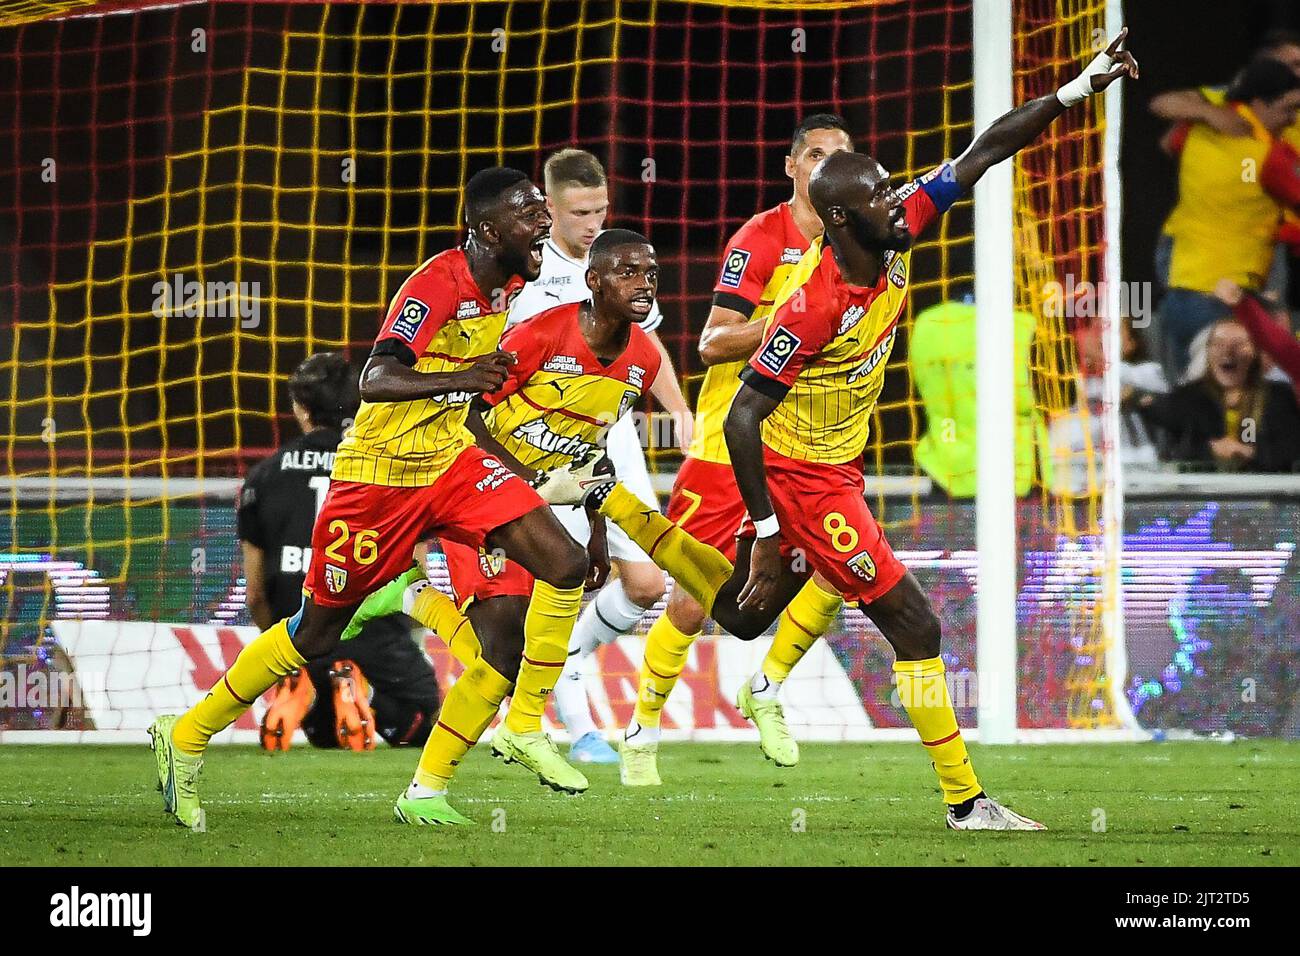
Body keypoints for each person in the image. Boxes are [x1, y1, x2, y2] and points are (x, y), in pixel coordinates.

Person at [582, 31, 1139, 830]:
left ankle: (626, 511)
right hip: (799, 473)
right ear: (843, 218)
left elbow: (984, 151)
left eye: (891, 187)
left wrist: (1079, 87)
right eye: (881, 195)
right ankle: (965, 802)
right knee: (915, 622)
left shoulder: (896, 222)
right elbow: (743, 413)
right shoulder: (812, 304)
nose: (899, 199)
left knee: (738, 615)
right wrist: (772, 533)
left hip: (838, 464)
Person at [148, 167, 598, 831]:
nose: (544, 223)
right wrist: (468, 374)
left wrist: (517, 474)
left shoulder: (507, 283)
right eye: (529, 213)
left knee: (566, 564)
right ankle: (186, 734)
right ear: (486, 229)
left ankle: (500, 741)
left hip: (449, 464)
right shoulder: (436, 283)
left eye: (542, 211)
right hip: (378, 480)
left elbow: (460, 403)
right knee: (317, 632)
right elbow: (377, 375)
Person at [350, 230, 663, 817]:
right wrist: (521, 487)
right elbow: (469, 416)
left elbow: (592, 450)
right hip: (484, 495)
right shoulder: (541, 333)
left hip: (539, 512)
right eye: (627, 271)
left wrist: (593, 533)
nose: (643, 282)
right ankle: (473, 754)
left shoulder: (643, 359)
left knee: (503, 655)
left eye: (650, 271)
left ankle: (418, 609)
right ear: (593, 281)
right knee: (500, 657)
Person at [620, 115, 857, 787]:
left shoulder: (858, 247)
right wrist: (790, 323)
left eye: (838, 155)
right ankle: (640, 731)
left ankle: (767, 685)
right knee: (694, 601)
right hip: (732, 437)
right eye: (813, 153)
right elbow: (712, 342)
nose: (825, 165)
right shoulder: (762, 237)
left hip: (808, 441)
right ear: (792, 166)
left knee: (846, 568)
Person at [503, 149, 690, 765]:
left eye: (601, 209)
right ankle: (578, 726)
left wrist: (679, 411)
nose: (591, 223)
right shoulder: (525, 268)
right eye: (580, 212)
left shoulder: (621, 266)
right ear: (548, 208)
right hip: (542, 438)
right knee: (560, 577)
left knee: (644, 582)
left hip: (614, 434)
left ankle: (567, 659)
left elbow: (648, 341)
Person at [241, 352, 441, 752]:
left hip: (300, 631)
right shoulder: (385, 467)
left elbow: (255, 593)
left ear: (300, 409)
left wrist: (283, 649)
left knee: (328, 735)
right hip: (370, 625)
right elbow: (415, 562)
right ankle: (363, 695)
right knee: (423, 721)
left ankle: (306, 690)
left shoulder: (263, 475)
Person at [1154, 56, 1300, 382]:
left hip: (1184, 288)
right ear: (1260, 103)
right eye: (1287, 109)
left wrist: (1207, 116)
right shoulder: (1273, 157)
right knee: (1230, 405)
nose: (1291, 121)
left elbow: (1167, 141)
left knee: (1192, 405)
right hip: (1227, 302)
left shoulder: (1195, 130)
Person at [1136, 317, 1300, 472]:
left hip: (1263, 496)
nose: (1228, 351)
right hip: (1205, 497)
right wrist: (1211, 449)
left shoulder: (1278, 396)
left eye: (1239, 344)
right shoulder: (1189, 397)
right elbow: (1176, 453)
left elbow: (1289, 451)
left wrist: (1249, 453)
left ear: (1256, 352)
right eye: (1218, 344)